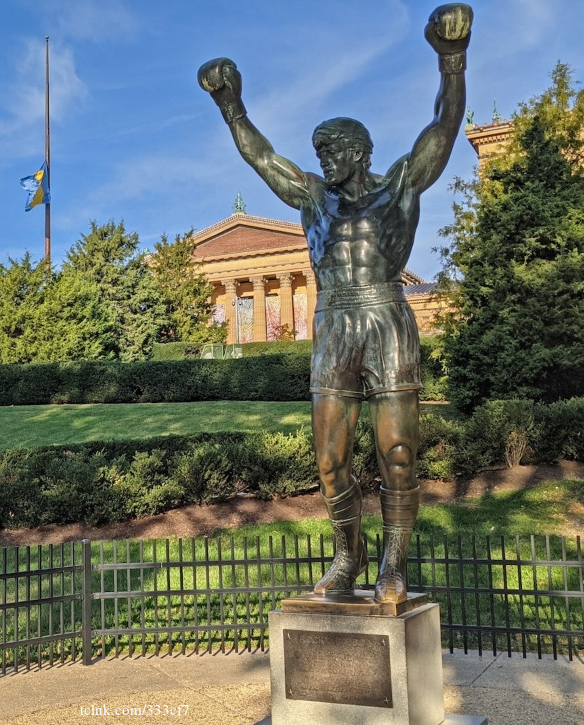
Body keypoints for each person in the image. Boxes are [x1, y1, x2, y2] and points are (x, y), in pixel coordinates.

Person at [198, 4, 472, 604]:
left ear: (360, 151)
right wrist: (231, 105)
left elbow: (445, 127)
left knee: (398, 453)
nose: (323, 157)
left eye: (333, 149)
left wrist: (451, 59)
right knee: (330, 460)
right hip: (333, 323)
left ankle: (393, 567)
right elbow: (261, 157)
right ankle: (347, 556)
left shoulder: (400, 184)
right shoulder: (313, 199)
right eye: (319, 149)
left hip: (386, 314)